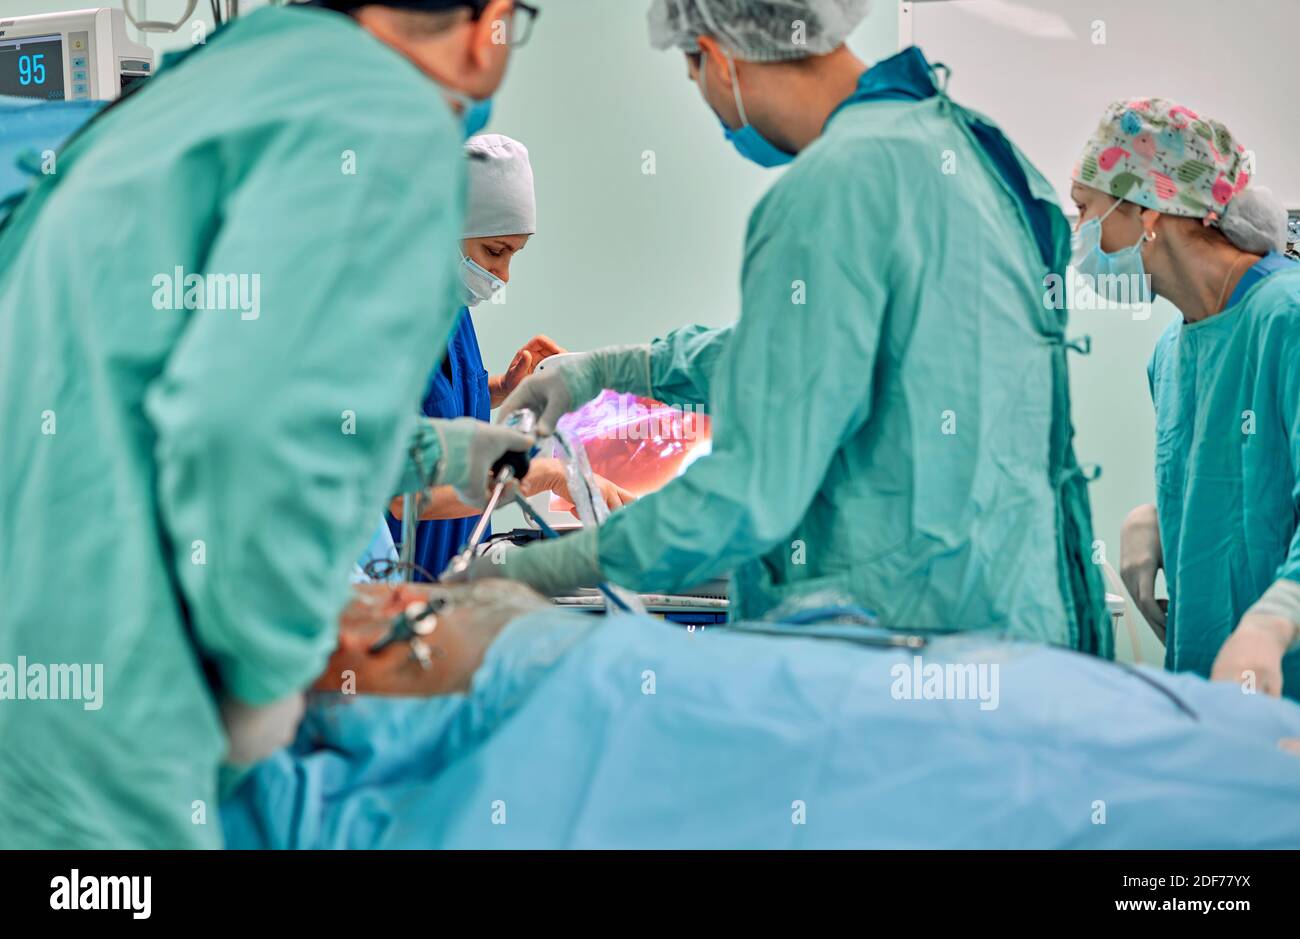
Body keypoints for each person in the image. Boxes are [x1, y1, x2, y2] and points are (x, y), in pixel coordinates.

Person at [0, 0, 538, 849]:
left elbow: (203, 388)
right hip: (119, 722)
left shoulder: (229, 79)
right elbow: (239, 436)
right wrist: (267, 678)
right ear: (491, 24)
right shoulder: (385, 115)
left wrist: (450, 451)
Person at [473, 0, 1110, 650]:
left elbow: (746, 493)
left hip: (900, 645)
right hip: (1018, 621)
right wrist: (612, 371)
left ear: (717, 57)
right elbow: (827, 358)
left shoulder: (832, 188)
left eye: (694, 74)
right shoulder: (964, 151)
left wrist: (527, 572)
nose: (708, 101)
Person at [1076, 99, 1300, 697]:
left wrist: (1275, 620)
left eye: (1084, 210)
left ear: (1147, 210)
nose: (1078, 238)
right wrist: (1160, 516)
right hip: (1208, 687)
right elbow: (1249, 493)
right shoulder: (1171, 353)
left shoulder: (1288, 319)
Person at [385, 133, 634, 581]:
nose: (503, 274)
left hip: (453, 579)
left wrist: (505, 388)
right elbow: (402, 495)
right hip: (398, 584)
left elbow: (444, 408)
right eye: (494, 252)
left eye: (513, 254)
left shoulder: (453, 314)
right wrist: (544, 477)